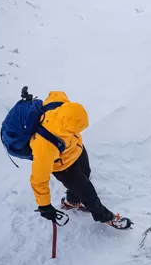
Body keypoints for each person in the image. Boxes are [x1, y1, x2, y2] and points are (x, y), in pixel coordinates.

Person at [30, 91, 132, 230]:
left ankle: (72, 201)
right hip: (63, 166)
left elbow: (56, 93)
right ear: (68, 129)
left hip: (75, 149)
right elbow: (38, 180)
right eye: (76, 130)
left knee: (86, 172)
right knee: (88, 192)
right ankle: (105, 217)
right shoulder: (45, 146)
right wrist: (45, 205)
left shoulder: (58, 104)